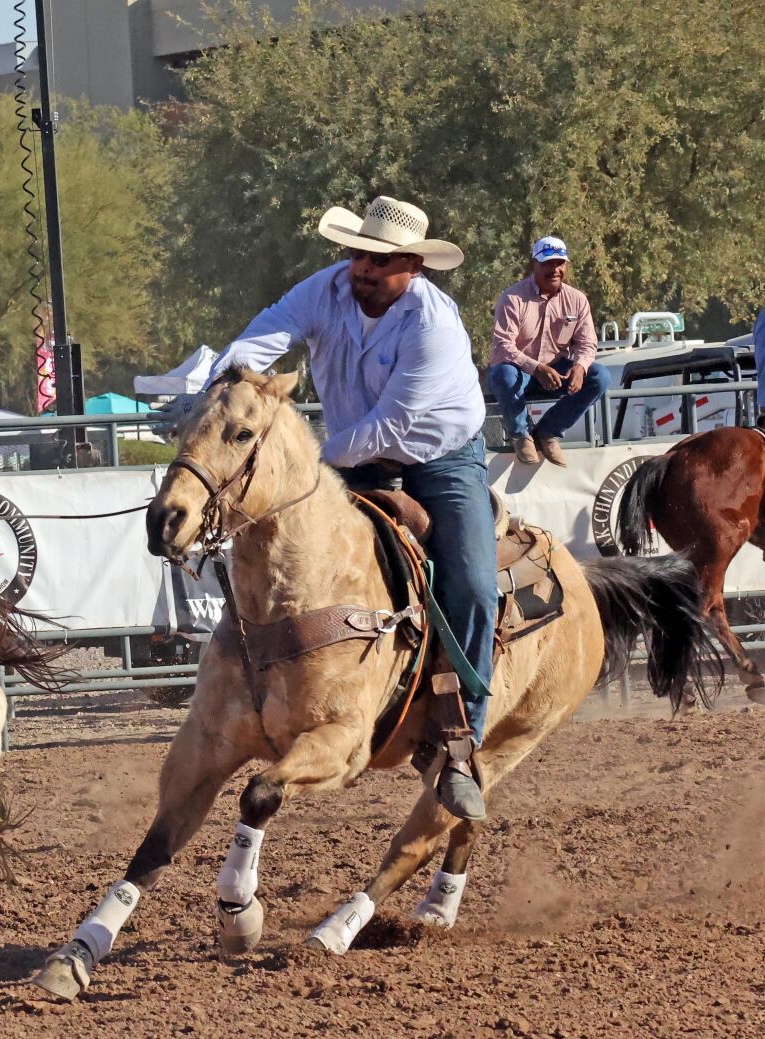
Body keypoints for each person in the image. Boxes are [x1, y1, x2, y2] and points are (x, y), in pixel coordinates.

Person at [206, 195, 492, 821]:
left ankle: (459, 741)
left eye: (381, 260)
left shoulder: (433, 327)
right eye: (360, 252)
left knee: (471, 580)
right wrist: (227, 383)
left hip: (436, 457)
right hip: (349, 451)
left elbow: (391, 424)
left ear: (413, 266)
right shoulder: (327, 288)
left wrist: (306, 466)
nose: (363, 267)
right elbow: (266, 335)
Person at [486, 236, 608, 467]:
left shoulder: (577, 299)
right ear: (535, 264)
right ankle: (521, 434)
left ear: (566, 265)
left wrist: (580, 367)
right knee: (503, 374)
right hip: (517, 369)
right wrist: (536, 368)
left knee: (600, 376)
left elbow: (588, 343)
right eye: (548, 263)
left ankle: (548, 431)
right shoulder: (513, 298)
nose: (555, 269)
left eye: (560, 263)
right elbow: (503, 345)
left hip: (554, 367)